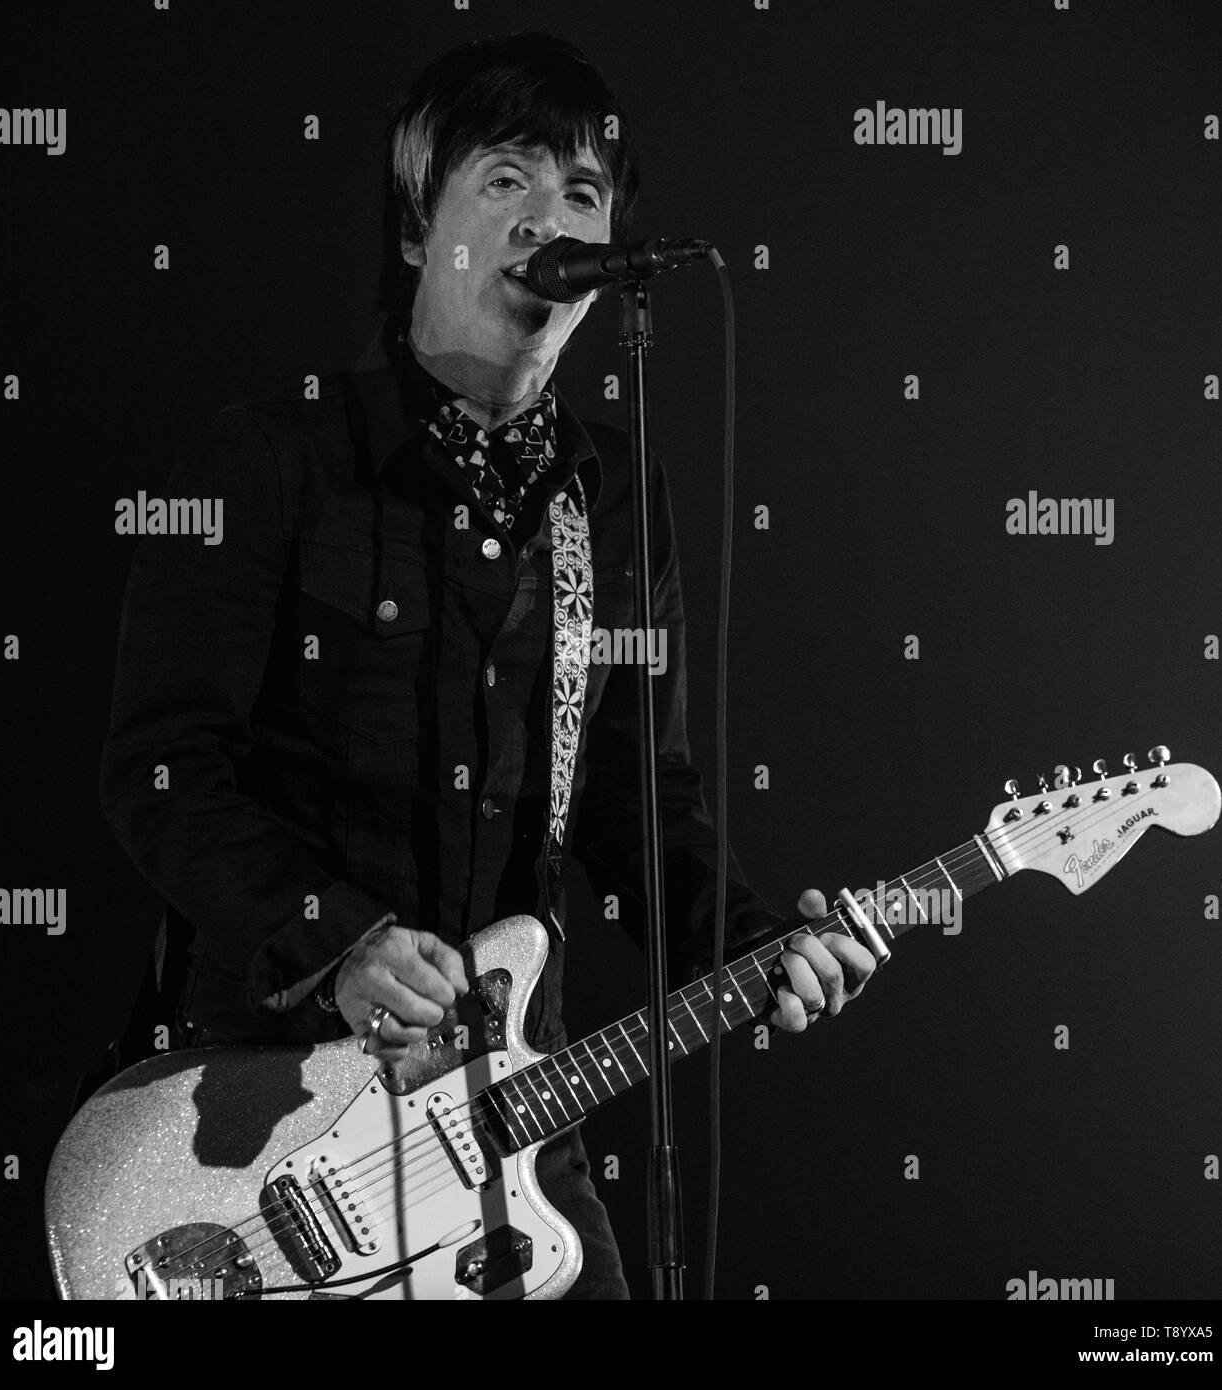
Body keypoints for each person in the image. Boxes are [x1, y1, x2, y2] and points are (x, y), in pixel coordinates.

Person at [100, 30, 875, 1300]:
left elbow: (636, 797)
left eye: (581, 193)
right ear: (417, 230)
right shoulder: (271, 458)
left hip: (514, 1116)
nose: (547, 218)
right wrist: (339, 942)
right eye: (505, 179)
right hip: (261, 1124)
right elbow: (162, 770)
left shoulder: (618, 499)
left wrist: (747, 938)